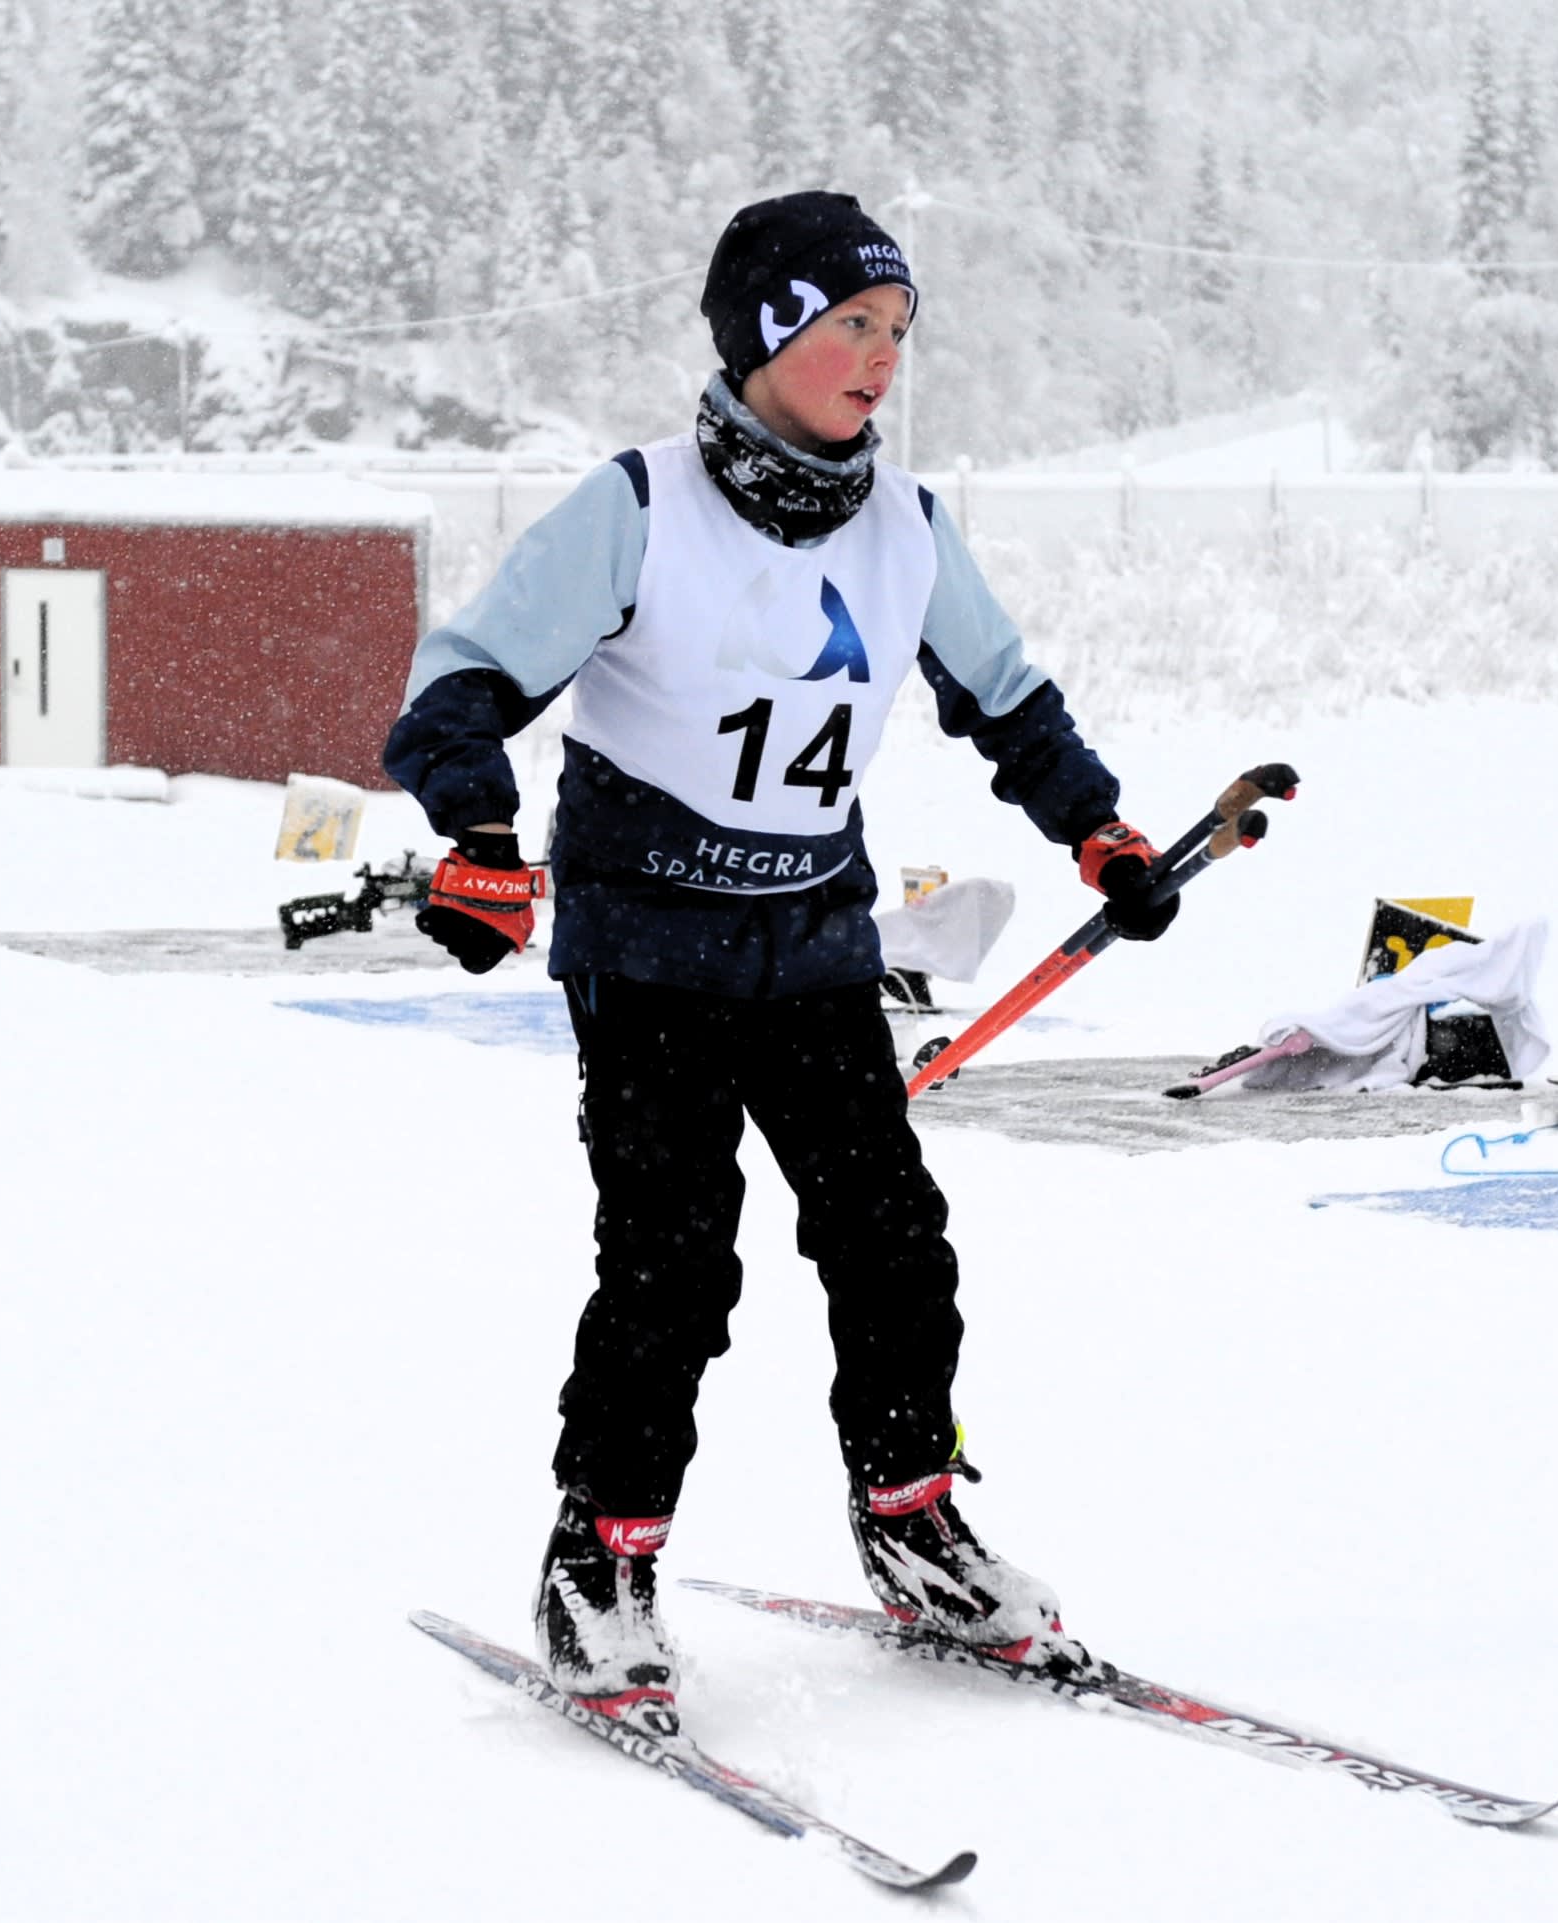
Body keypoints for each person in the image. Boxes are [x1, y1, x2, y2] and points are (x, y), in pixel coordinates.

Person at [382, 190, 1181, 1719]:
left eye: (898, 332)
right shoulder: (640, 505)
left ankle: (912, 1523)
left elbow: (1007, 700)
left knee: (893, 1244)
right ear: (764, 334)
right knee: (676, 1263)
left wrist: (1100, 830)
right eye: (850, 326)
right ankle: (597, 1562)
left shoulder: (909, 530)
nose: (881, 359)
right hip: (649, 948)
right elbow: (461, 683)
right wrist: (478, 838)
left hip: (815, 941)